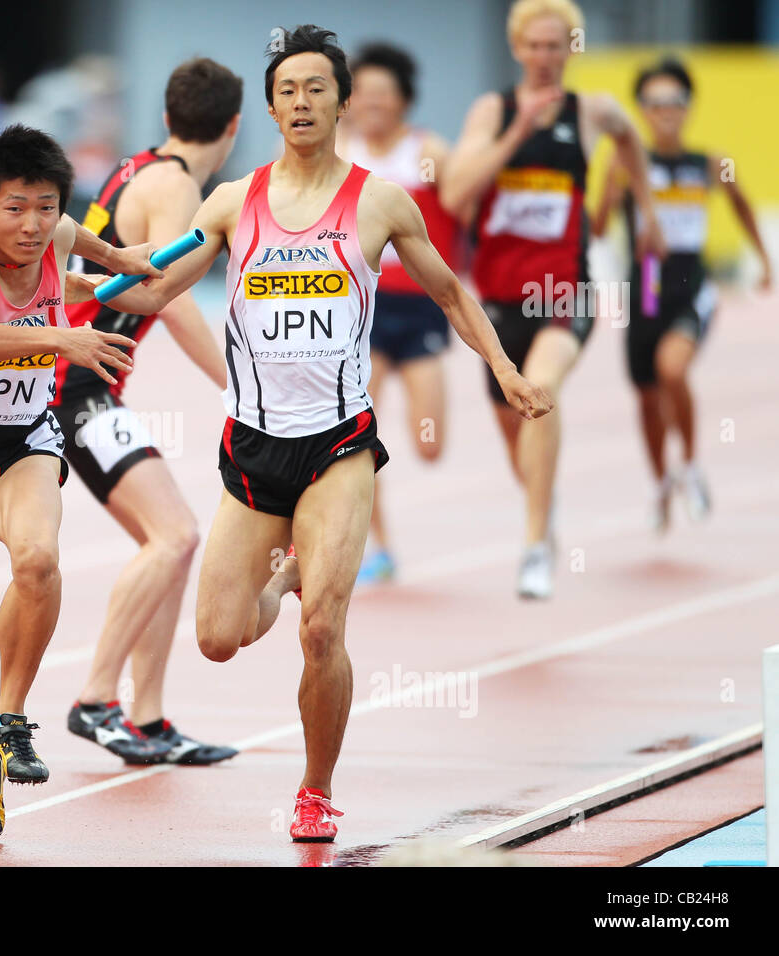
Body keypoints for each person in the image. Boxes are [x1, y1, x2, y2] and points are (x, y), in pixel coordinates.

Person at [117, 25, 553, 842]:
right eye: (288, 91)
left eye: (318, 88)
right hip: (252, 445)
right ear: (271, 107)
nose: (303, 102)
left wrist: (504, 369)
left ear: (342, 102)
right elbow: (150, 287)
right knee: (216, 637)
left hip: (338, 446)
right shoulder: (229, 202)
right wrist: (68, 274)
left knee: (325, 628)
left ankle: (315, 790)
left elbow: (455, 295)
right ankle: (282, 582)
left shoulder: (380, 202)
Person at [0, 124, 161, 842]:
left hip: (21, 443)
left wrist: (129, 263)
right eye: (15, 208)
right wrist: (60, 334)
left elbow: (113, 260)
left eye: (46, 208)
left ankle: (11, 714)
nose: (33, 224)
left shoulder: (57, 234)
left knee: (39, 562)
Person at [441, 0, 666, 598]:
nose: (544, 57)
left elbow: (630, 143)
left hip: (564, 294)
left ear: (571, 49)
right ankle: (544, 505)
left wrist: (645, 211)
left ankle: (534, 544)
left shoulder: (592, 112)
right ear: (518, 49)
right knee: (521, 435)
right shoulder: (493, 111)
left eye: (555, 45)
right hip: (497, 304)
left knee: (541, 385)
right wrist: (517, 132)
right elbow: (458, 192)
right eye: (533, 46)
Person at [55, 57, 242, 767]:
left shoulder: (140, 166)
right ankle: (96, 701)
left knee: (172, 541)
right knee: (173, 536)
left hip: (79, 383)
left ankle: (150, 717)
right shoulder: (174, 185)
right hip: (69, 389)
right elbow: (173, 293)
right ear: (232, 126)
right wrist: (237, 381)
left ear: (168, 117)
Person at [594, 57, 771, 530]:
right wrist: (610, 195)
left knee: (673, 370)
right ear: (642, 110)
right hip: (645, 290)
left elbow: (742, 204)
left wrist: (764, 261)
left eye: (675, 101)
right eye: (655, 103)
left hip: (692, 286)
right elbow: (595, 226)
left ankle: (690, 467)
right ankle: (659, 484)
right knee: (648, 397)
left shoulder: (711, 164)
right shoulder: (626, 161)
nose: (666, 111)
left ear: (688, 107)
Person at [336, 42, 463, 584]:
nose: (372, 103)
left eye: (383, 94)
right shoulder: (338, 150)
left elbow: (465, 206)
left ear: (404, 101)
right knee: (357, 432)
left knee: (429, 444)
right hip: (360, 305)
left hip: (421, 307)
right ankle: (377, 547)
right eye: (361, 93)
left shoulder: (429, 151)